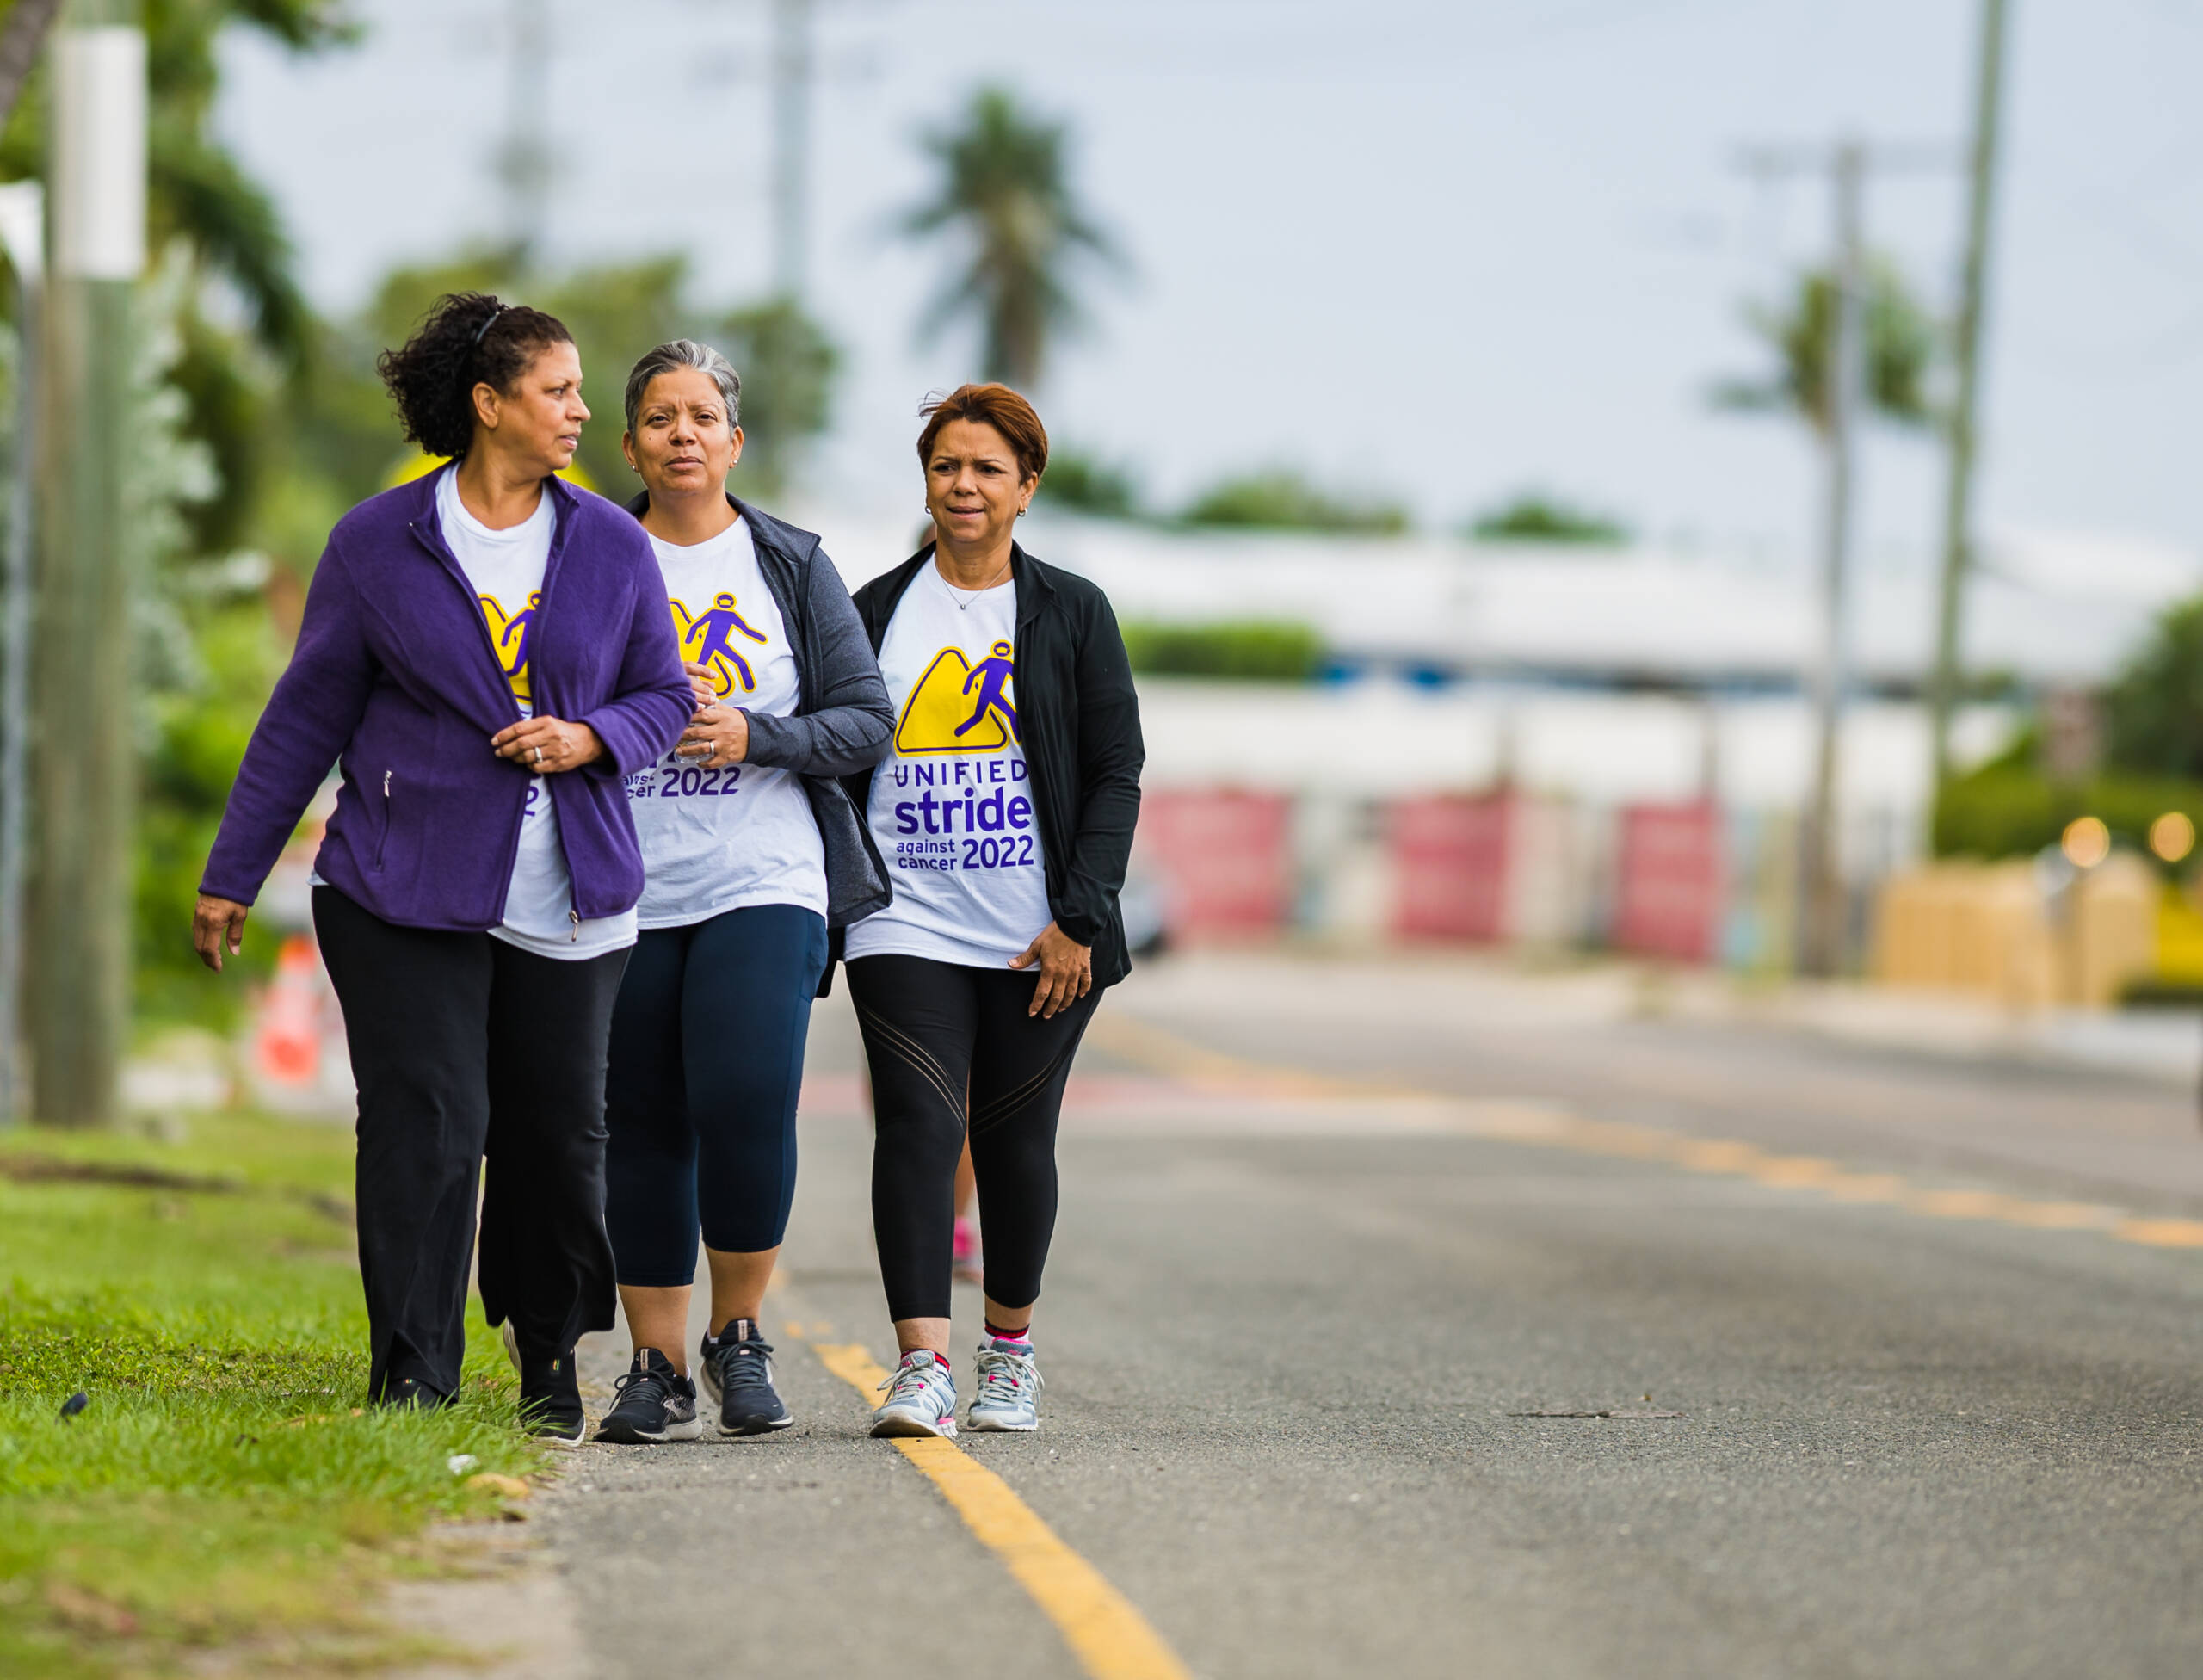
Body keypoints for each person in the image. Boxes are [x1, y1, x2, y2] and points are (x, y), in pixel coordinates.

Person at [193, 293, 692, 1442]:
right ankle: (414, 1371)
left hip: (567, 891)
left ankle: (548, 1351)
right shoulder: (379, 544)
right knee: (427, 1122)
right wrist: (233, 871)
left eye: (577, 391)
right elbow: (302, 716)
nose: (579, 410)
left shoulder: (611, 544)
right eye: (558, 390)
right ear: (488, 404)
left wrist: (592, 738)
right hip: (398, 883)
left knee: (557, 1138)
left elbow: (665, 696)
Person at [591, 340, 894, 1444]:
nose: (682, 432)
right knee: (643, 1120)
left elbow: (869, 716)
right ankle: (656, 1362)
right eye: (659, 417)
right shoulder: (591, 554)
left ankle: (741, 1337)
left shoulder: (791, 563)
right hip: (623, 880)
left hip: (764, 872)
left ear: (734, 440)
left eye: (702, 414)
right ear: (628, 445)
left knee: (747, 1094)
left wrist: (757, 734)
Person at [842, 382, 1144, 1436]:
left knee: (1016, 1144)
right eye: (944, 466)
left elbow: (1116, 771)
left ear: (1026, 487)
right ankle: (921, 1364)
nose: (962, 485)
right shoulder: (872, 608)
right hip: (904, 916)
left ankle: (1008, 1354)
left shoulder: (1072, 611)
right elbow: (836, 749)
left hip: (1039, 934)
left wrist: (1081, 915)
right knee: (920, 1124)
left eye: (985, 469)